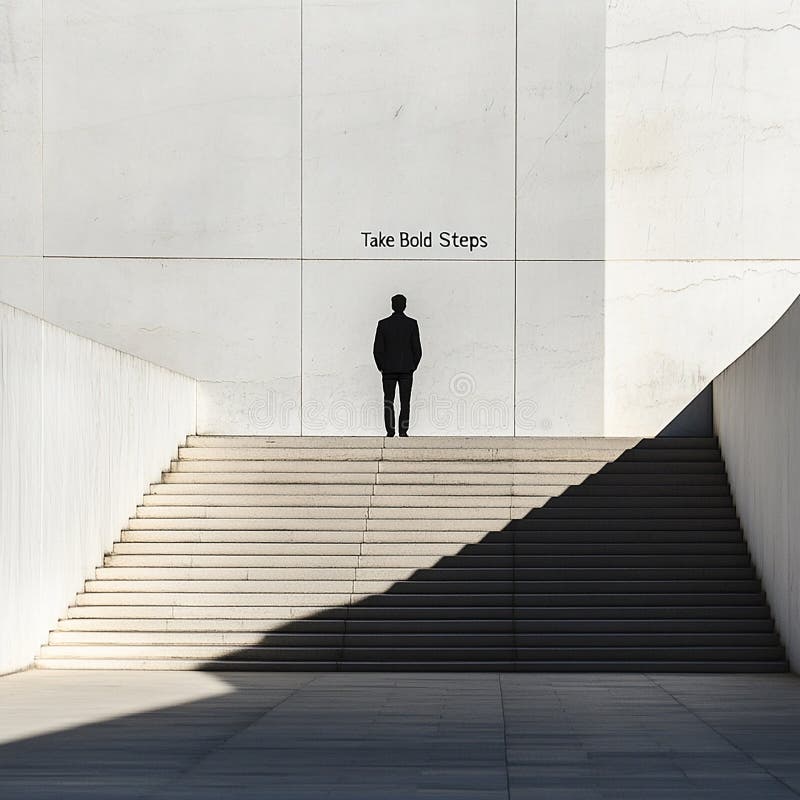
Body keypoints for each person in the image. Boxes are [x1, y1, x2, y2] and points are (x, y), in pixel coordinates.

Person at [373, 294, 422, 437]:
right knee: (405, 401)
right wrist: (413, 366)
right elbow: (417, 349)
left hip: (388, 370)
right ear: (405, 305)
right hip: (406, 369)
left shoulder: (383, 324)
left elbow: (377, 349)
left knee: (388, 401)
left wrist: (381, 366)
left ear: (392, 305)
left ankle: (390, 431)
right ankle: (403, 430)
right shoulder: (412, 324)